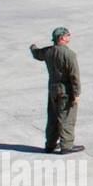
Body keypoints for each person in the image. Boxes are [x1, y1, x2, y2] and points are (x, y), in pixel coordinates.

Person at [30, 27, 83, 155]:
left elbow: (37, 54)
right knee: (67, 117)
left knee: (53, 117)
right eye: (67, 35)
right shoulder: (69, 54)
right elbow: (74, 75)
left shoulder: (49, 51)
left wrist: (32, 47)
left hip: (53, 89)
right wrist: (76, 93)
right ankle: (67, 145)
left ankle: (50, 144)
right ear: (62, 38)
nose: (69, 37)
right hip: (66, 90)